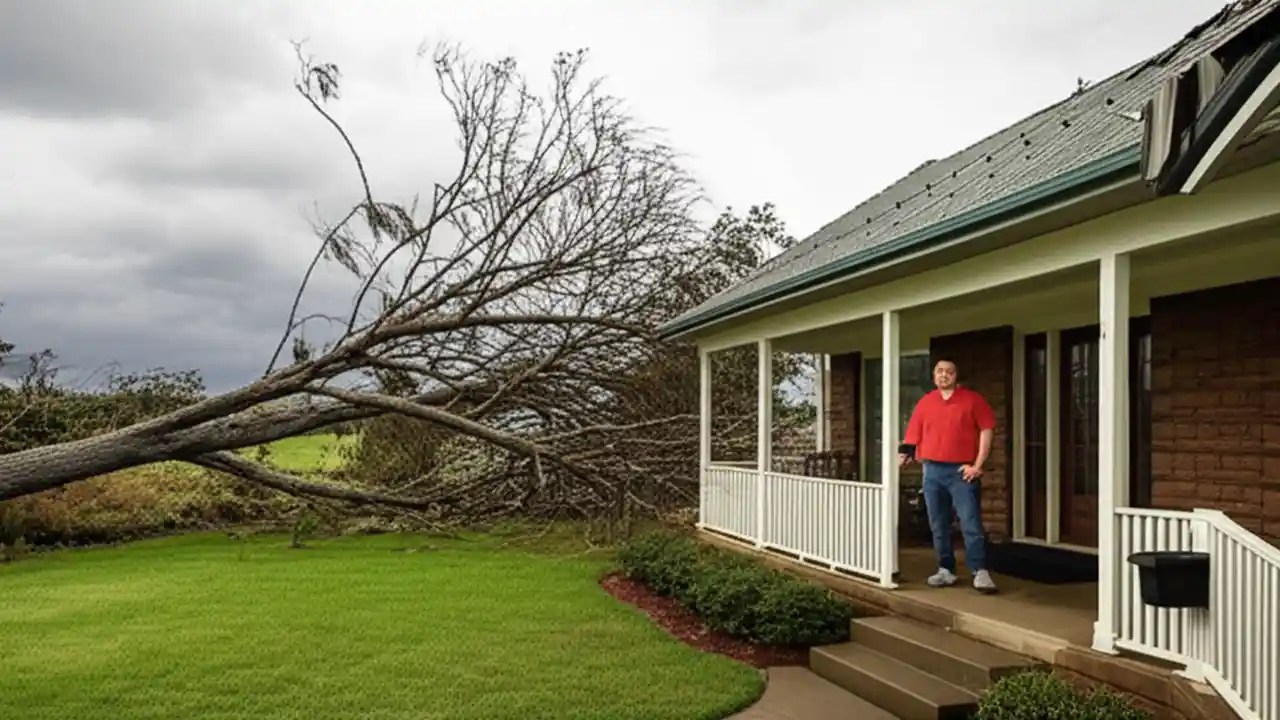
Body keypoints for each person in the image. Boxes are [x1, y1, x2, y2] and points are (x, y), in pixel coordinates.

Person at [899, 357, 998, 594]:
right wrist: (903, 455)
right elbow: (912, 434)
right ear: (934, 376)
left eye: (949, 372)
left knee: (970, 522)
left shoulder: (972, 400)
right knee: (938, 524)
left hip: (961, 472)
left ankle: (979, 571)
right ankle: (946, 569)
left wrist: (977, 464)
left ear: (956, 376)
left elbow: (987, 430)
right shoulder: (925, 402)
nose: (944, 375)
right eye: (940, 371)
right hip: (932, 470)